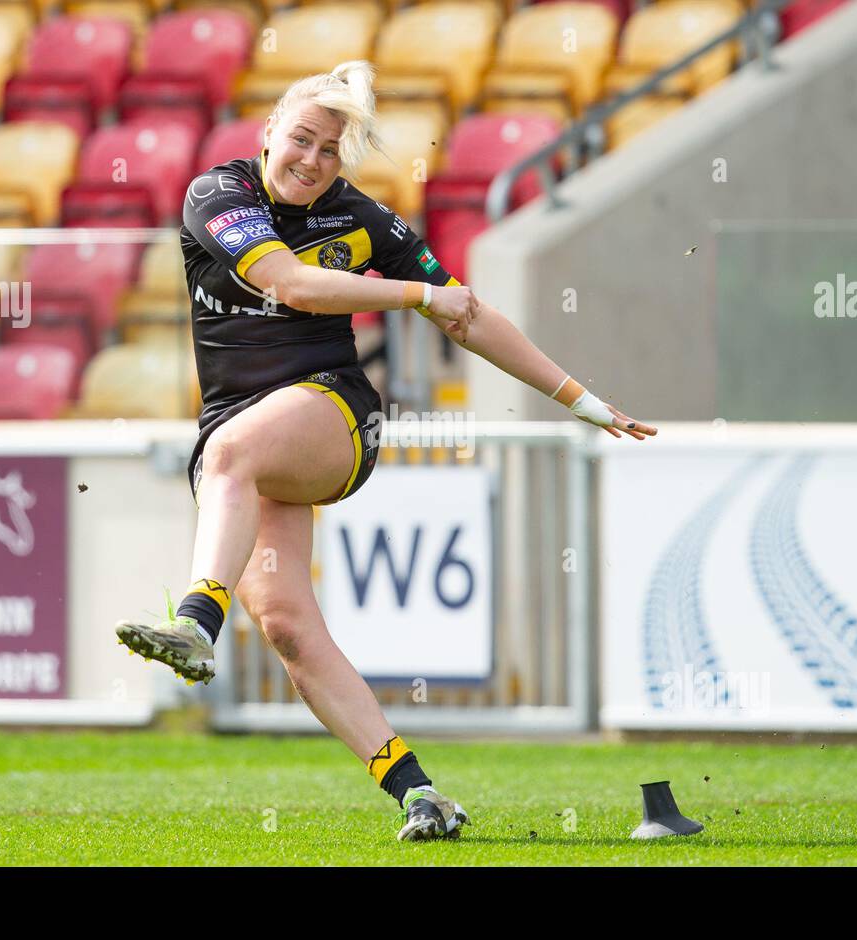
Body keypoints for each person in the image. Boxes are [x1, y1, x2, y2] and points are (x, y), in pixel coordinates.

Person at [116, 60, 657, 842]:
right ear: (270, 132)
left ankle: (197, 622)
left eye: (331, 151)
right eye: (301, 139)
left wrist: (581, 398)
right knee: (290, 629)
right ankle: (420, 793)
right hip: (246, 423)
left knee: (229, 455)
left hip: (332, 413)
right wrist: (415, 295)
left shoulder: (367, 221)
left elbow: (469, 314)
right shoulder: (218, 196)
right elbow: (292, 284)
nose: (312, 160)